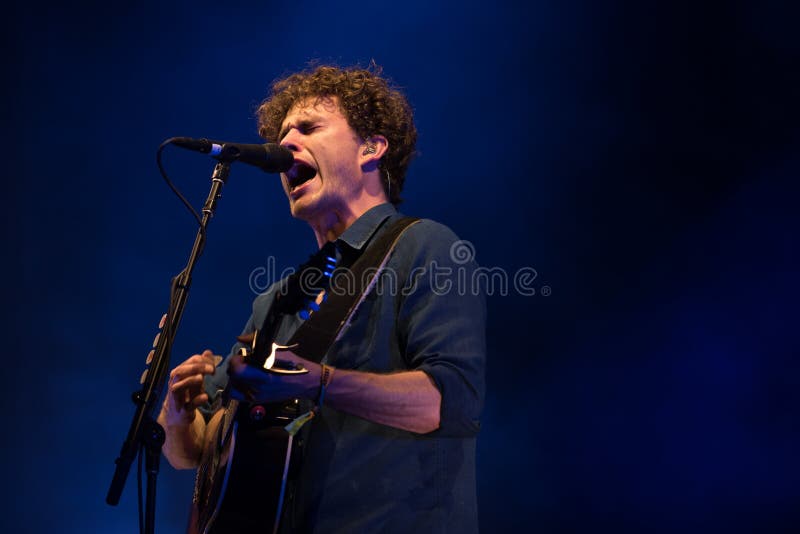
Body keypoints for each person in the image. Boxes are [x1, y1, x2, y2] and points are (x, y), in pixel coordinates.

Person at [157, 64, 486, 533]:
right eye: (283, 132)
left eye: (309, 128)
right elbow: (190, 453)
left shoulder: (425, 247)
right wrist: (177, 414)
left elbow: (452, 404)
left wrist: (319, 382)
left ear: (371, 148)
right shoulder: (276, 300)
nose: (286, 144)